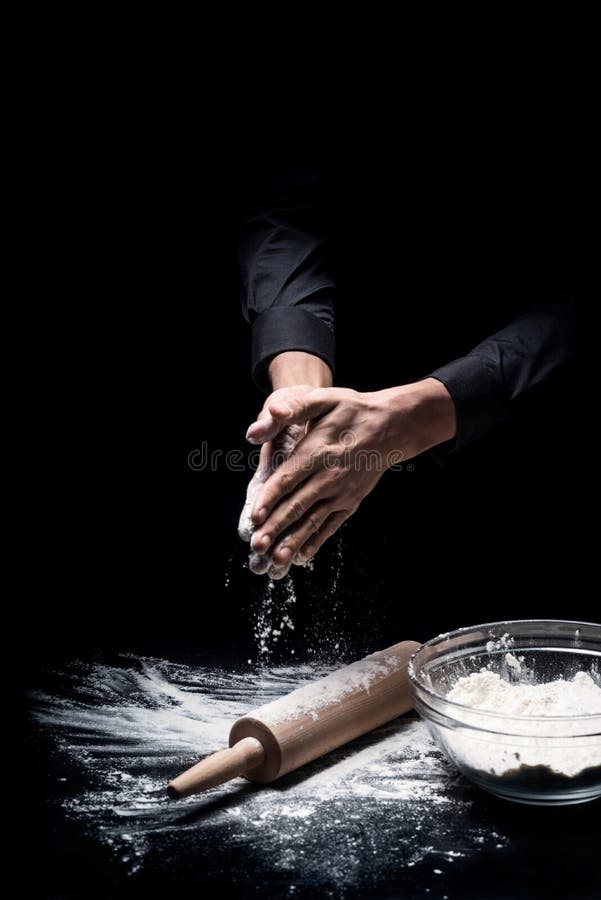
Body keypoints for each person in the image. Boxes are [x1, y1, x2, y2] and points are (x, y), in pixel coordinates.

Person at [236, 129, 593, 580]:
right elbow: (284, 202)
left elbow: (578, 306)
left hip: (524, 447)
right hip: (346, 363)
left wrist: (412, 417)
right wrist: (299, 396)